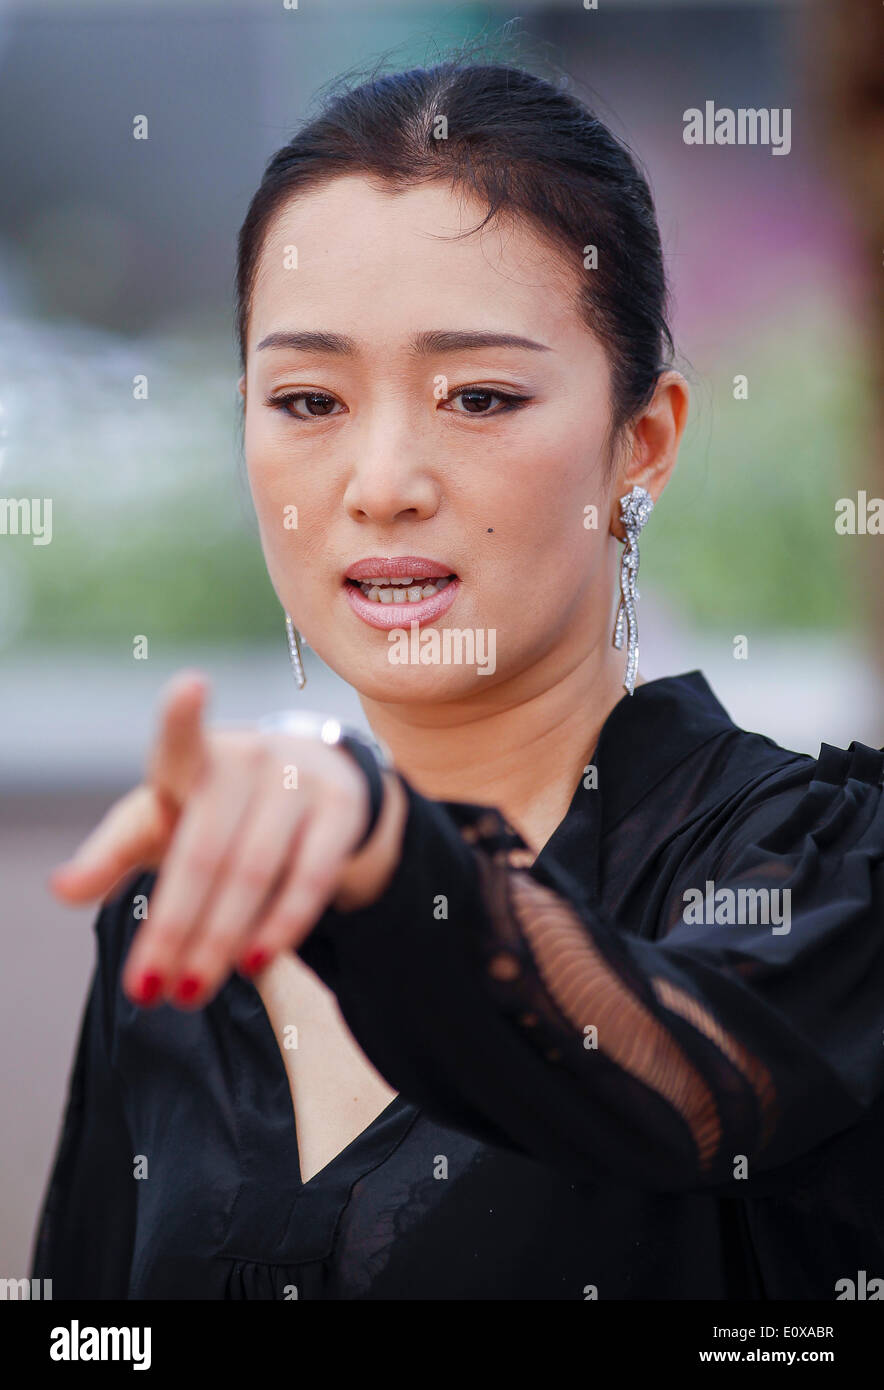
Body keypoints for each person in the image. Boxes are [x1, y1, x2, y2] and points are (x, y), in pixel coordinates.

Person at [31, 58, 884, 1300]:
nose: (381, 481)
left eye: (478, 395)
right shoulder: (188, 918)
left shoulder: (817, 874)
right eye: (307, 398)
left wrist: (382, 851)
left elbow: (662, 1081)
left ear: (639, 443)